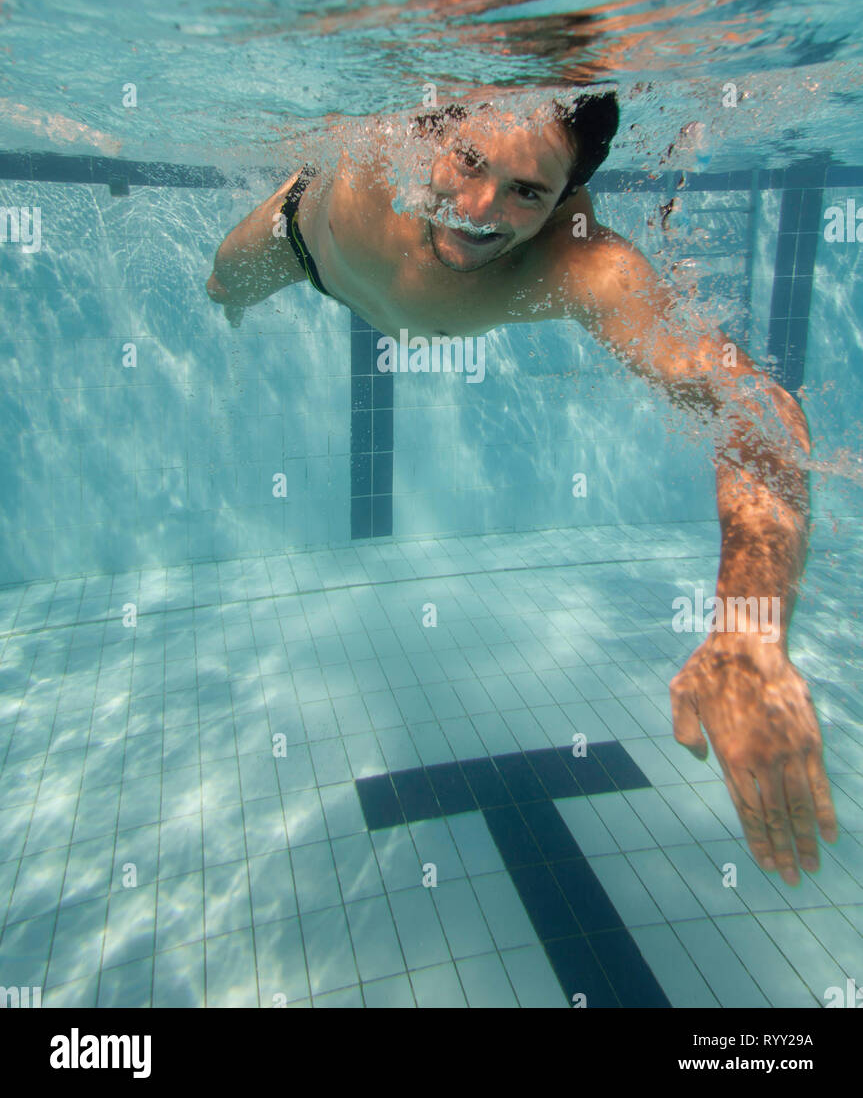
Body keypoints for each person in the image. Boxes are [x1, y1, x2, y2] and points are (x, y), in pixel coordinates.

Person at [206, 90, 838, 886]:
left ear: (565, 201)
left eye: (526, 192)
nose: (477, 210)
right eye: (468, 163)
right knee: (223, 288)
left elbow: (756, 414)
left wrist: (749, 630)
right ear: (420, 138)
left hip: (361, 271)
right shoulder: (373, 147)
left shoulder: (582, 265)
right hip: (304, 245)